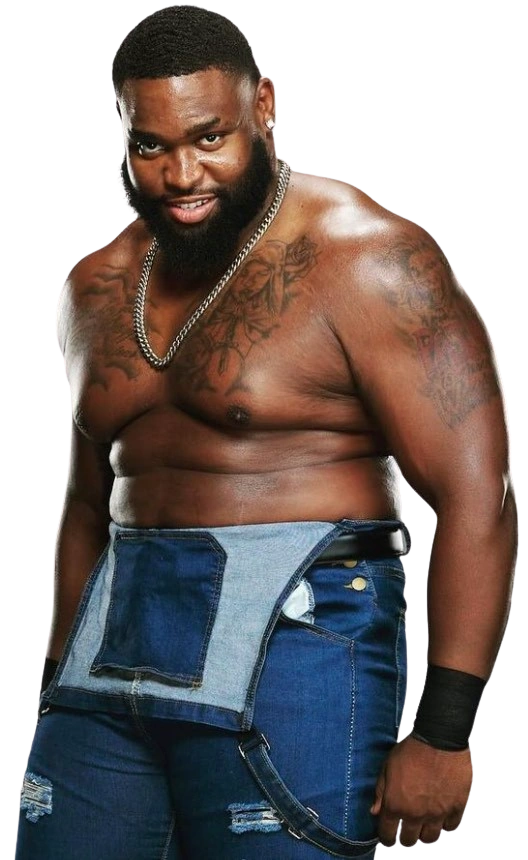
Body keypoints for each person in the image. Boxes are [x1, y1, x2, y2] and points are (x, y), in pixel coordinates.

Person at [16, 5, 517, 859]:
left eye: (209, 137)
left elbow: (476, 496)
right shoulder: (99, 283)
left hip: (298, 637)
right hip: (110, 654)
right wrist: (54, 681)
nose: (182, 175)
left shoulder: (363, 257)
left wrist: (443, 732)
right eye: (151, 145)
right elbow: (91, 508)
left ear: (266, 107)